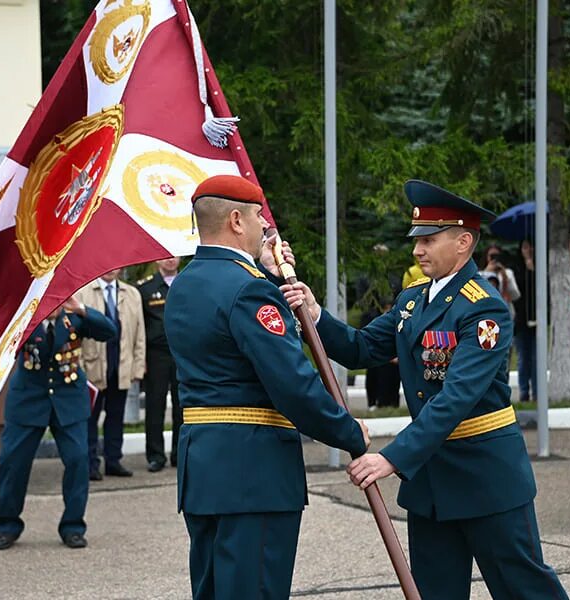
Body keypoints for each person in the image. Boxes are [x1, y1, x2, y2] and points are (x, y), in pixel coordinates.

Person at [282, 179, 569, 599]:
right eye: (417, 239)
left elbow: (455, 399)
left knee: (523, 589)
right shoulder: (412, 300)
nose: (417, 250)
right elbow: (360, 348)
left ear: (463, 242)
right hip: (431, 486)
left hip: (484, 477)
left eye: (430, 240)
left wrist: (391, 459)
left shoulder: (485, 308)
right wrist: (315, 313)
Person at [164, 174, 370, 599]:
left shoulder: (184, 284)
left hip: (204, 469)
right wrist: (349, 432)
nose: (266, 229)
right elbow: (292, 384)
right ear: (236, 220)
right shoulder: (249, 290)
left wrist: (272, 278)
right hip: (252, 472)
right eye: (260, 218)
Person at [0, 298, 117, 551]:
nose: (55, 304)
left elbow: (109, 331)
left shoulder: (75, 317)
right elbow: (0, 338)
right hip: (28, 400)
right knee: (11, 461)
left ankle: (72, 526)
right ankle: (7, 526)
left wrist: (81, 308)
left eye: (59, 297)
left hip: (68, 399)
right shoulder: (24, 317)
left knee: (78, 459)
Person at [77, 269, 146, 480]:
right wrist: (79, 367)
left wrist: (138, 365)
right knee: (90, 418)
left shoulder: (132, 294)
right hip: (93, 367)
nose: (112, 270)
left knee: (116, 417)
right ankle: (90, 463)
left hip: (121, 365)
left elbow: (140, 333)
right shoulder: (83, 293)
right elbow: (76, 333)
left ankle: (113, 460)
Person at [137, 257, 183, 472]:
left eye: (175, 255)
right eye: (167, 256)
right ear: (157, 260)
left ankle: (179, 453)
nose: (171, 260)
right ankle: (155, 456)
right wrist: (142, 358)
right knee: (155, 406)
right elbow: (140, 326)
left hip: (183, 353)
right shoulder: (145, 288)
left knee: (182, 405)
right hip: (156, 356)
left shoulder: (187, 283)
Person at [360, 297, 401, 410]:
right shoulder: (371, 317)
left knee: (392, 382)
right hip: (377, 357)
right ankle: (374, 403)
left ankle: (392, 403)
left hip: (393, 359)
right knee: (375, 380)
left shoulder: (399, 316)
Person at [512, 238, 537, 402]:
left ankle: (537, 392)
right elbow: (516, 292)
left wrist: (532, 269)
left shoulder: (539, 267)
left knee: (536, 358)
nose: (528, 251)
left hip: (536, 318)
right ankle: (523, 391)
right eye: (525, 247)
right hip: (521, 321)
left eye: (530, 247)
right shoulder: (516, 269)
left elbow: (538, 288)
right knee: (523, 358)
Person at [480, 243, 520, 321]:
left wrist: (505, 278)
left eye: (496, 256)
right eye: (491, 256)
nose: (494, 259)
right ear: (486, 257)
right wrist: (487, 272)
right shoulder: (480, 274)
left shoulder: (508, 273)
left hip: (505, 312)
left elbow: (515, 295)